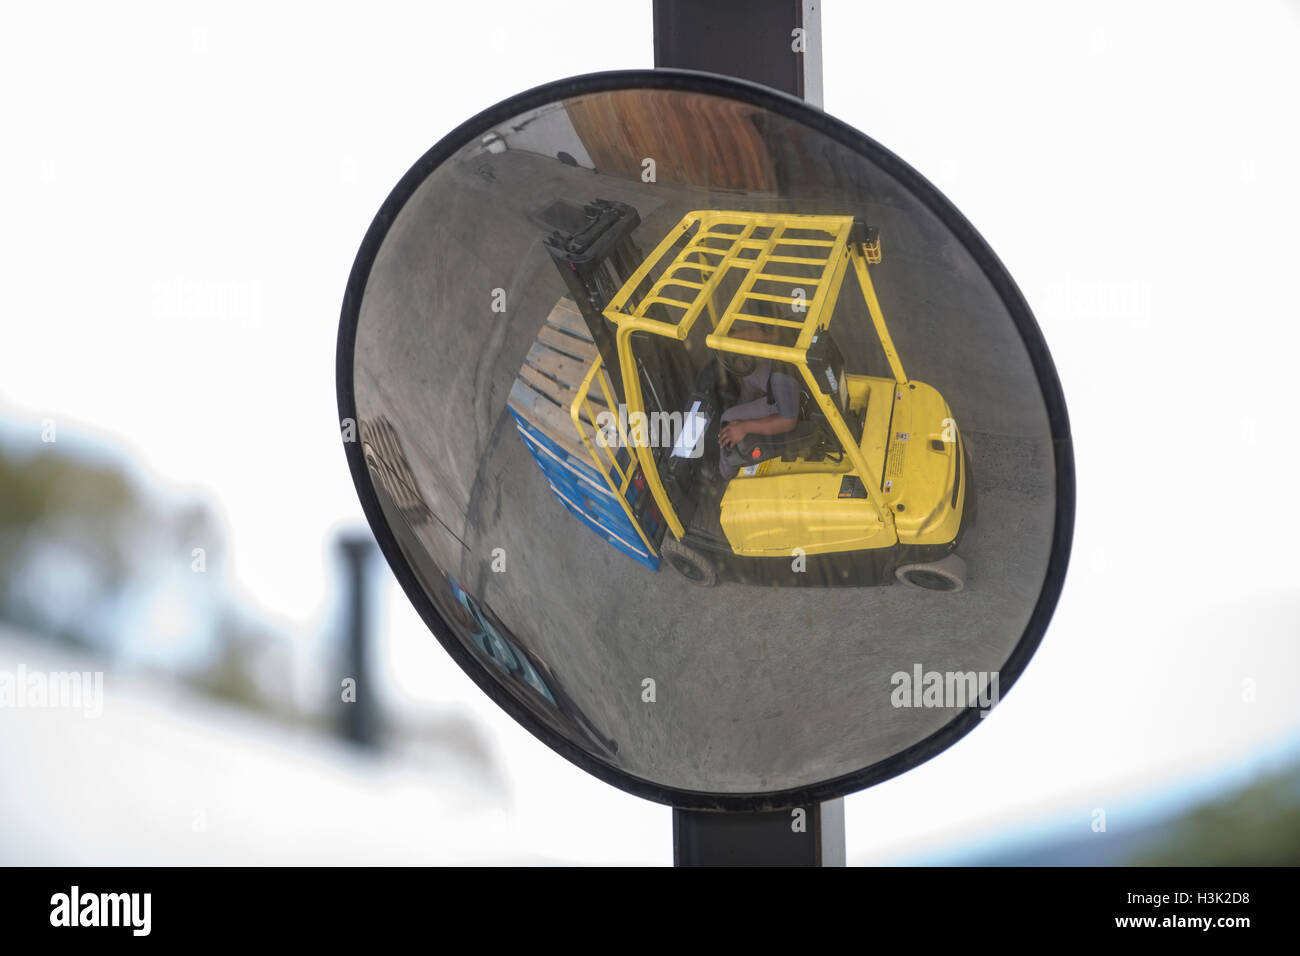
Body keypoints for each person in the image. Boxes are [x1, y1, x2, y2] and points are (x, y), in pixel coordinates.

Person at [716, 323, 800, 479]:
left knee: (728, 418)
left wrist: (744, 427)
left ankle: (726, 475)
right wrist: (727, 339)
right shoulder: (786, 329)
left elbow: (789, 421)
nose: (753, 327)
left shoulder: (781, 379)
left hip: (793, 406)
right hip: (786, 380)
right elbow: (756, 332)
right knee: (749, 374)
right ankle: (746, 414)